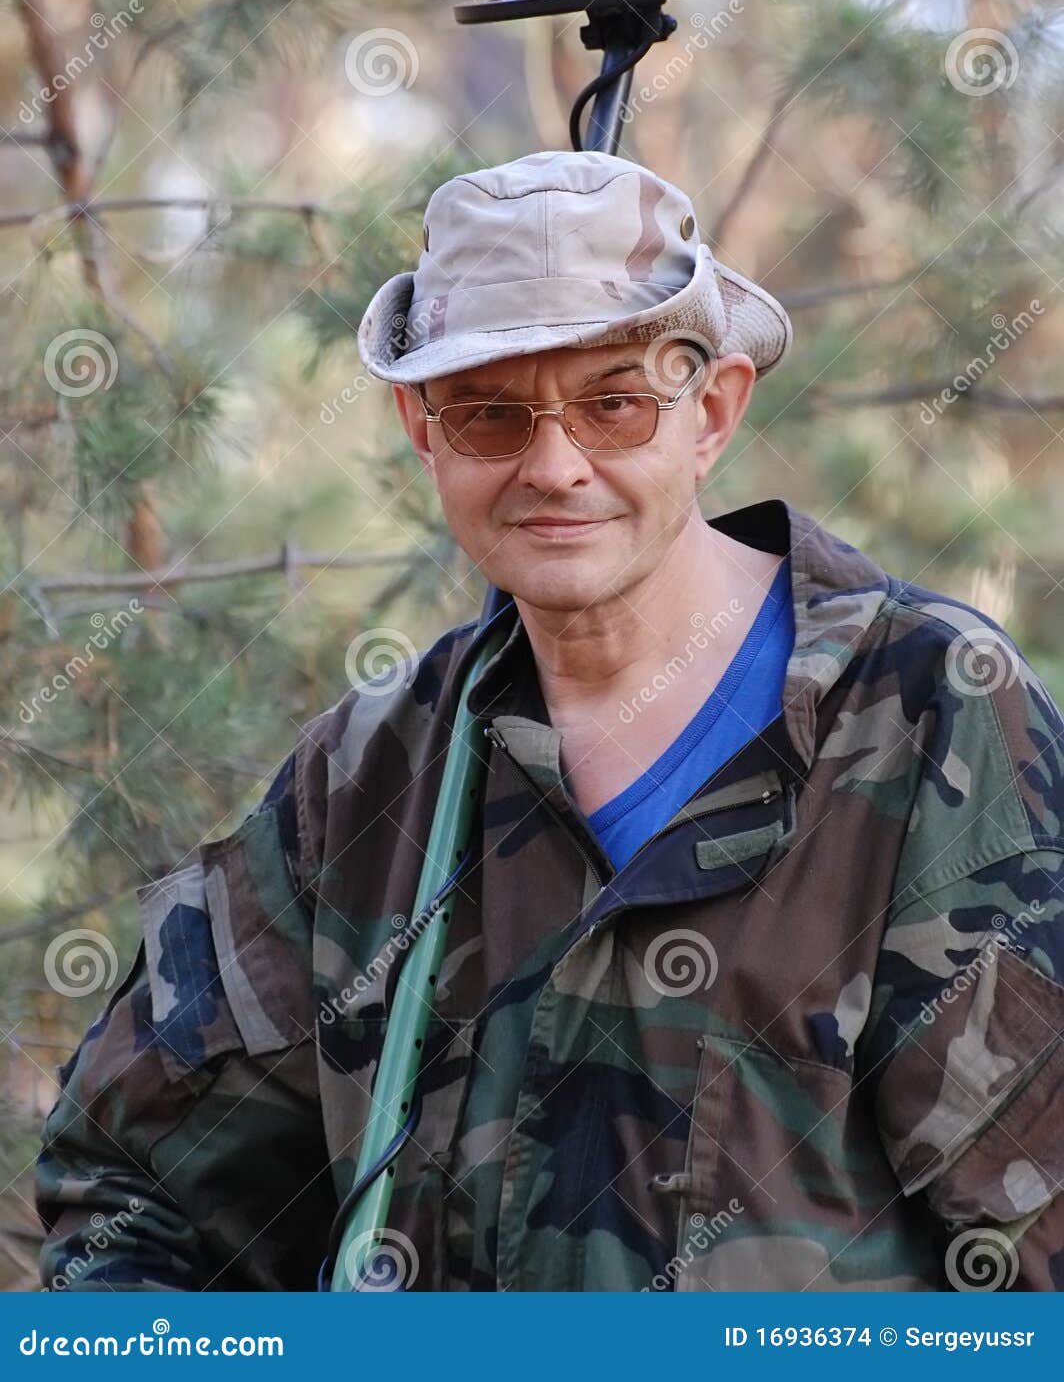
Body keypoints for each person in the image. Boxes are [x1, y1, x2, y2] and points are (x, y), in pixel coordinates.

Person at [36, 149, 1063, 1292]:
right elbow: (132, 1192)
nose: (553, 467)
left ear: (711, 410)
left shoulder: (927, 712)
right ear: (421, 428)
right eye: (489, 415)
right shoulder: (369, 775)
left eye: (612, 404)